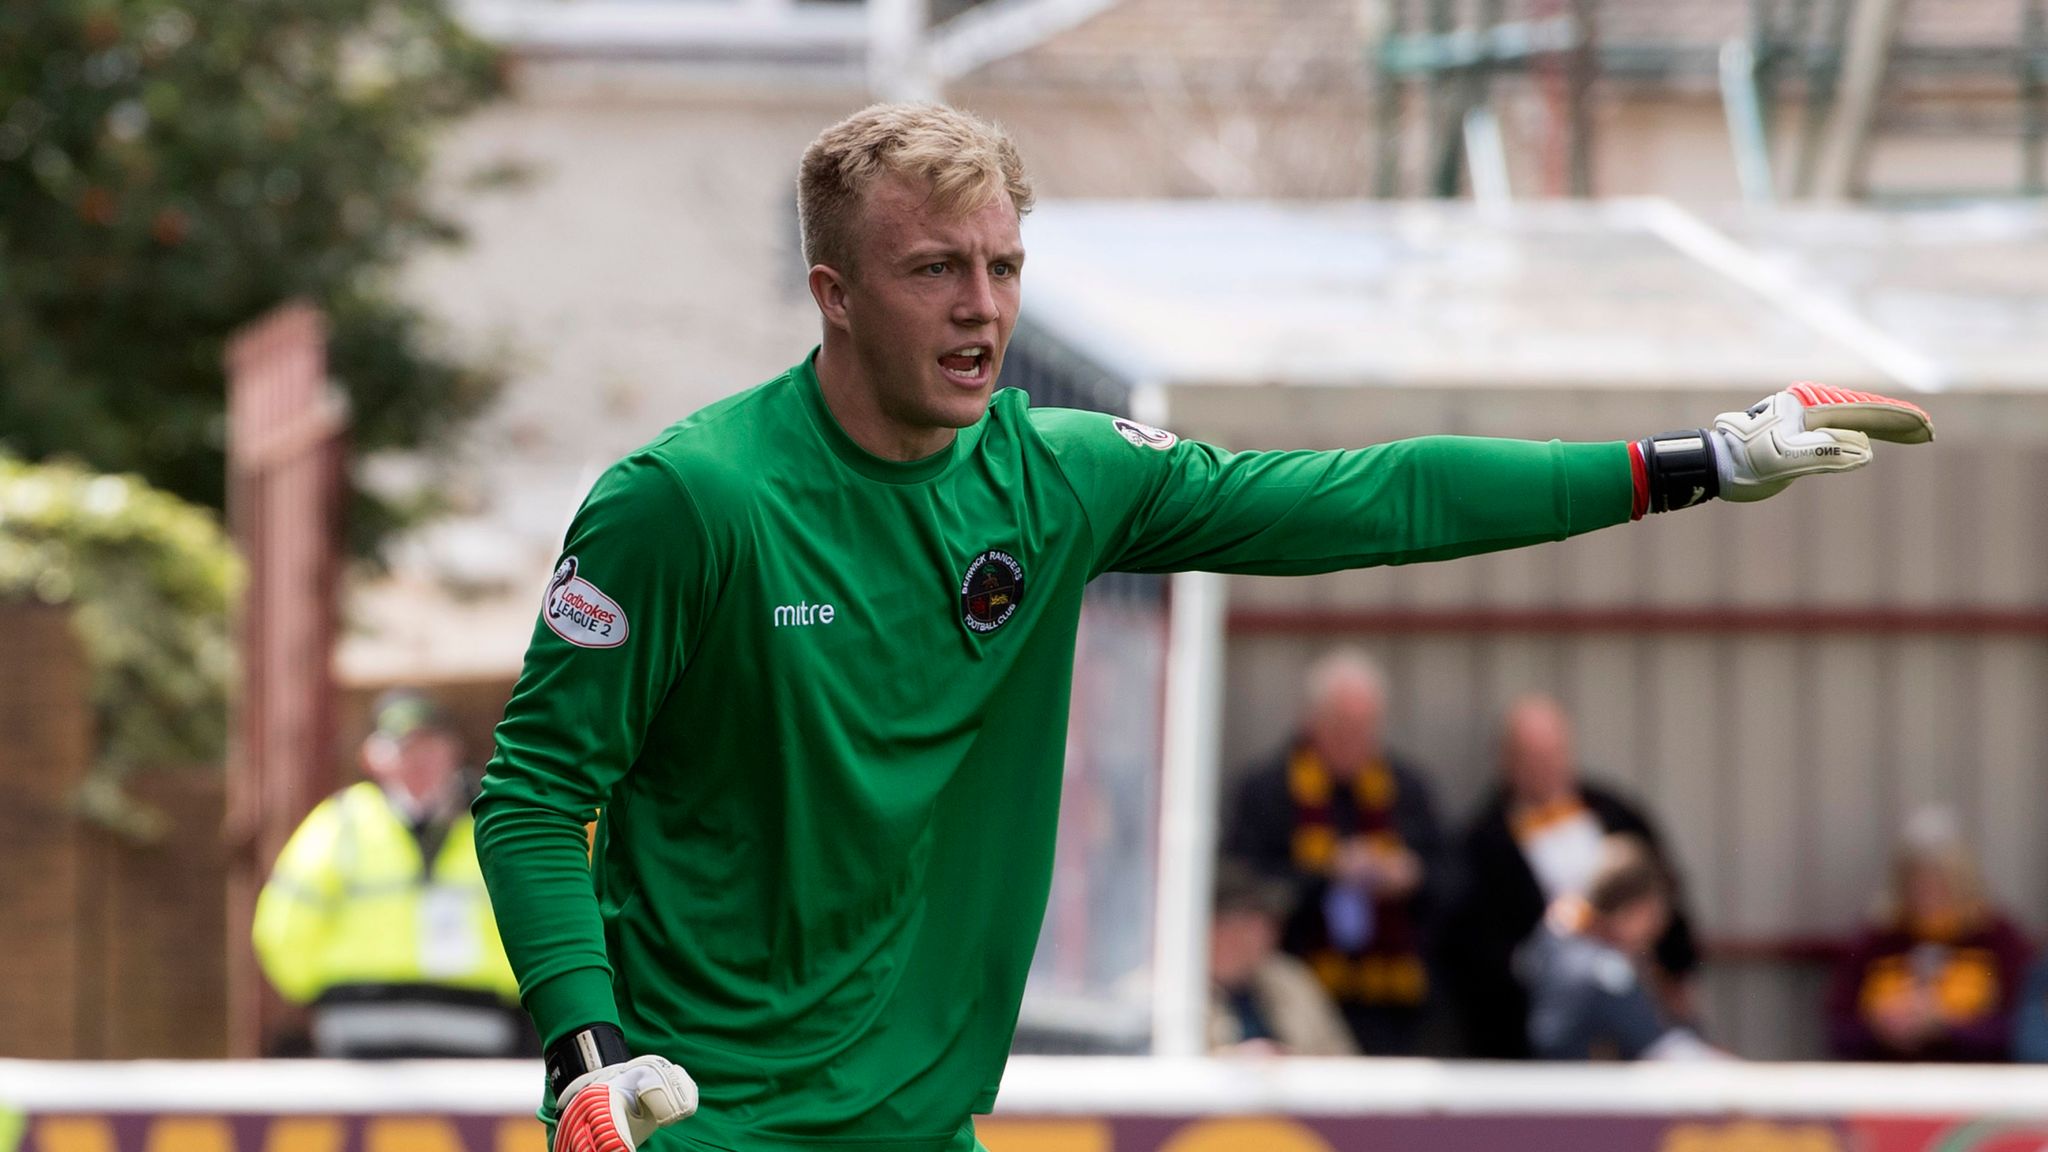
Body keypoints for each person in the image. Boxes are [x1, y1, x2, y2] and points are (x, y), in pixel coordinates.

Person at [472, 102, 1933, 1152]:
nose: (983, 309)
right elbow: (536, 793)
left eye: (1004, 267)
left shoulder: (1060, 478)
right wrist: (586, 1048)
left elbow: (1374, 499)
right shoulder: (690, 502)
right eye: (936, 270)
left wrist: (1699, 463)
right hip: (688, 1122)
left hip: (918, 1126)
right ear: (834, 295)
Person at [252, 689, 531, 1058]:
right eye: (404, 749)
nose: (419, 761)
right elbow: (282, 927)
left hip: (478, 1025)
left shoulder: (490, 827)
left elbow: (534, 918)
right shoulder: (341, 823)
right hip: (359, 1028)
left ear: (453, 751)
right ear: (372, 758)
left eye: (429, 747)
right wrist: (321, 993)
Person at [1443, 695, 1703, 1059]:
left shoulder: (1615, 812)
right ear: (1507, 762)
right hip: (1546, 1009)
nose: (1545, 768)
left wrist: (1669, 962)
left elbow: (1667, 892)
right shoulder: (1484, 842)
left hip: (1641, 980)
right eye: (1532, 758)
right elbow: (1477, 950)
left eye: (1554, 754)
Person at [1223, 650, 1445, 1054]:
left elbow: (1453, 881)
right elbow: (1245, 885)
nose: (1353, 742)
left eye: (1364, 729)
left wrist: (1410, 876)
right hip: (1296, 989)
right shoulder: (1267, 793)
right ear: (1311, 721)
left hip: (1395, 1000)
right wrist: (1327, 874)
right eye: (1341, 727)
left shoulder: (1408, 792)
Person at [1826, 807, 2033, 1062]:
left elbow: (2025, 1032)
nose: (1928, 894)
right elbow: (1838, 1030)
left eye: (1941, 882)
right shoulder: (1877, 939)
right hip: (1887, 1085)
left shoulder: (1997, 938)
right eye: (1917, 882)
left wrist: (1945, 1026)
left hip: (1975, 1088)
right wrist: (1879, 1029)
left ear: (1964, 881)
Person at [1521, 835, 1727, 1061]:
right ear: (1632, 910)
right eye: (1653, 913)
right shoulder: (1603, 972)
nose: (1658, 927)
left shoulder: (1550, 942)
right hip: (1577, 1092)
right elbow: (1663, 1054)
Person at [1207, 860, 1357, 1057]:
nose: (1270, 933)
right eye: (1253, 921)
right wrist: (1230, 1063)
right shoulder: (1172, 991)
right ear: (1217, 927)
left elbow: (1342, 1062)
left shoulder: (1289, 979)